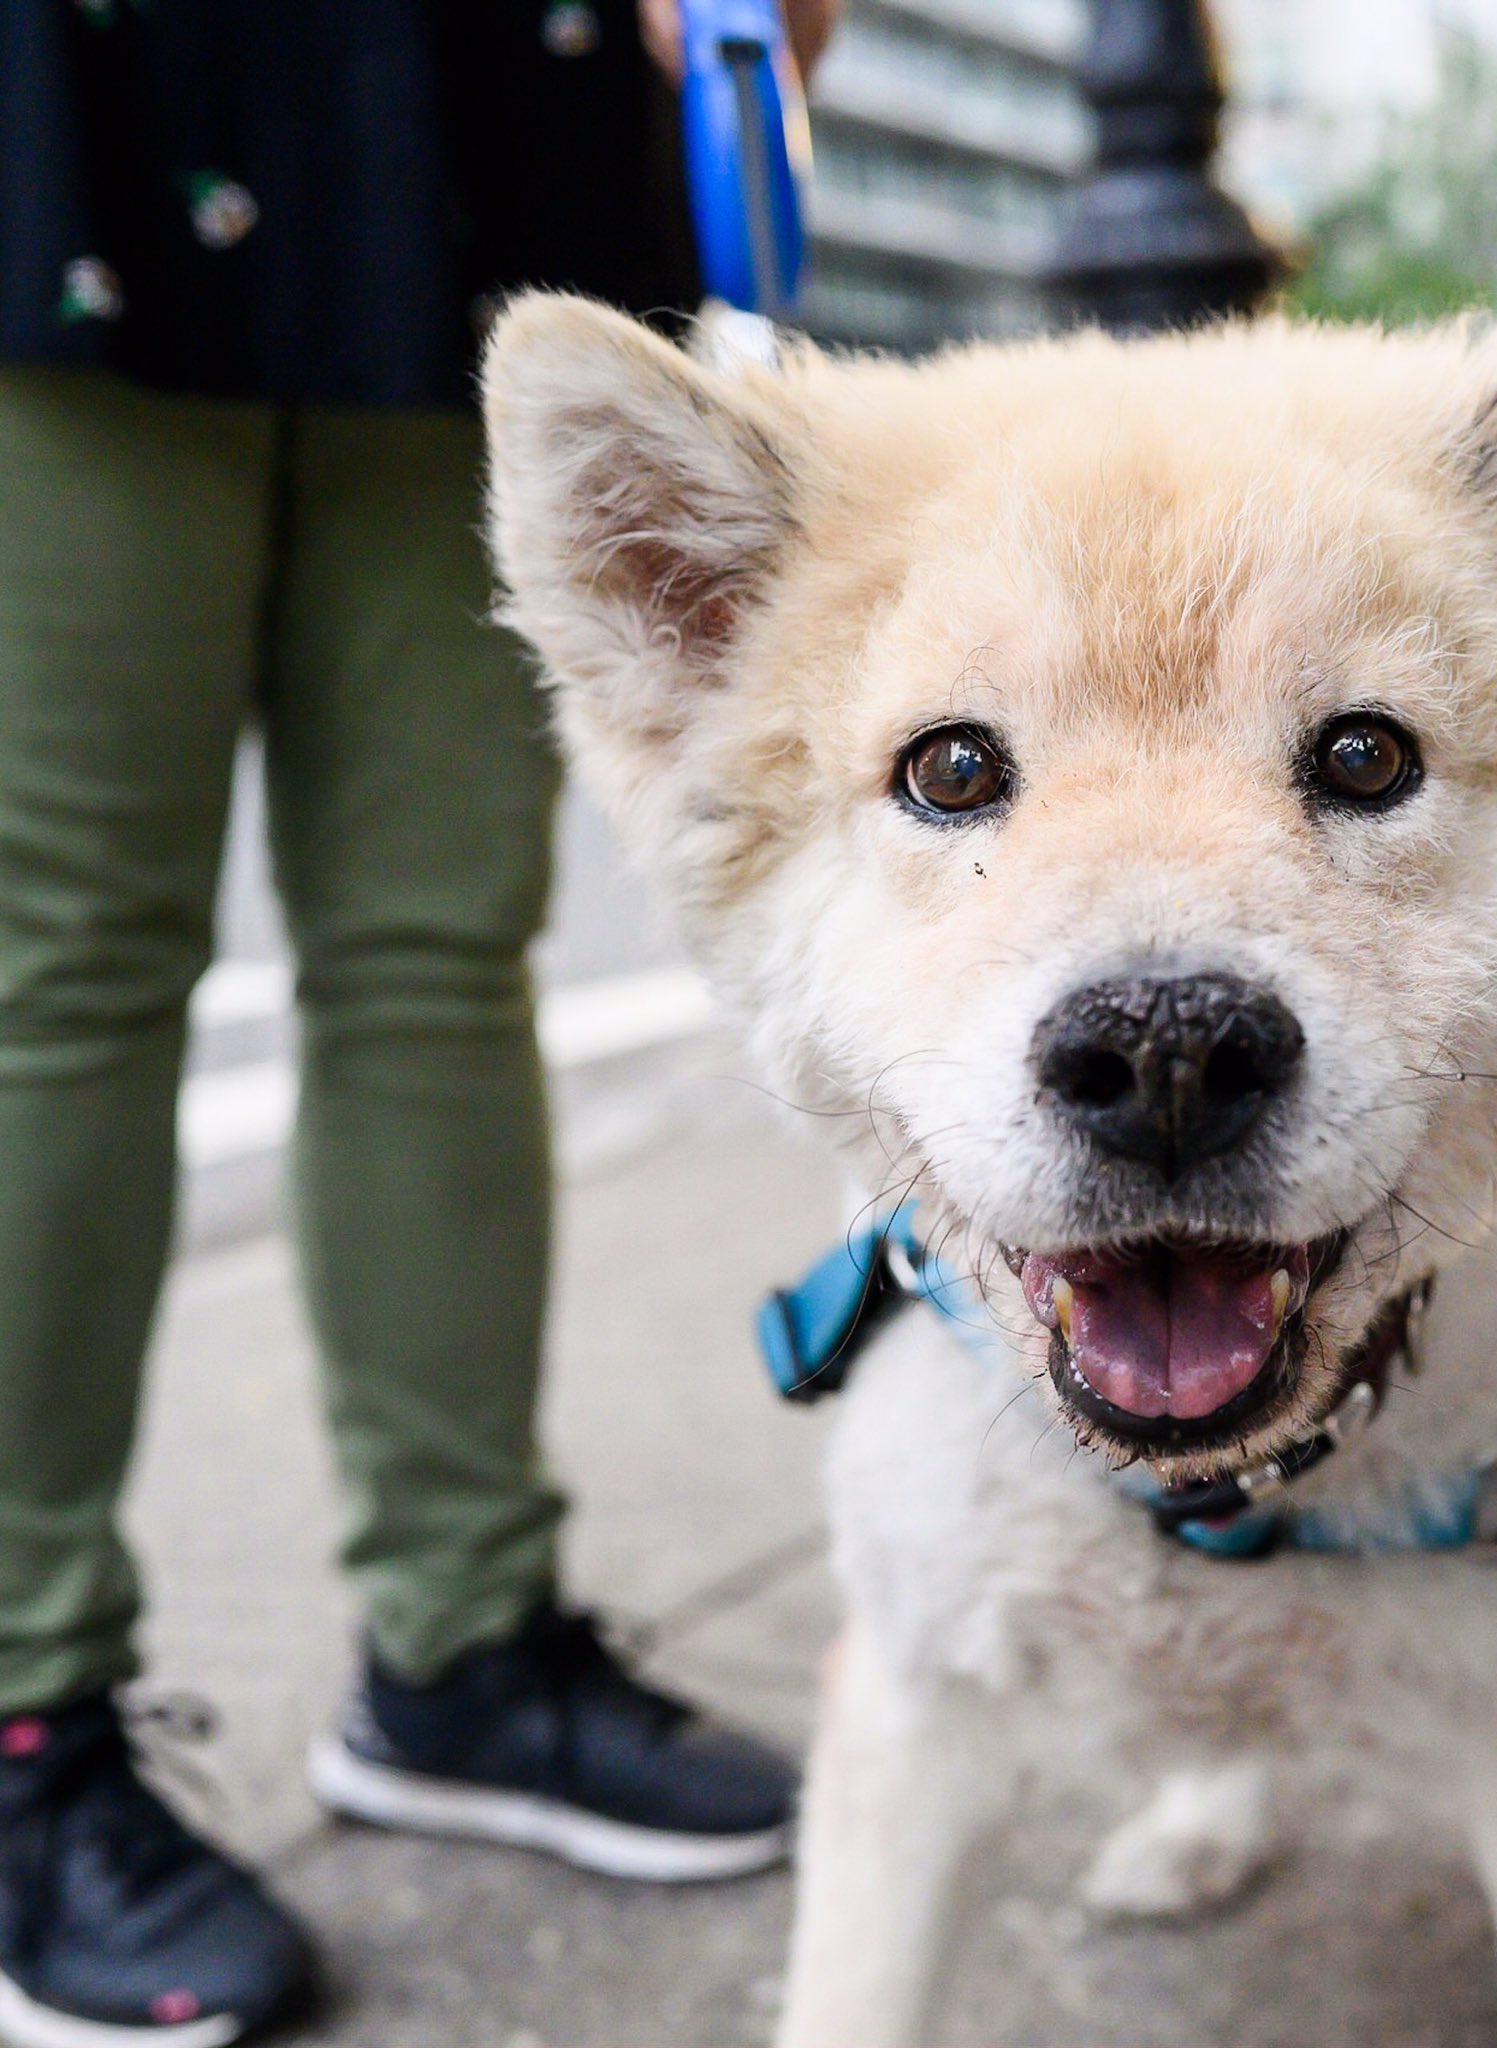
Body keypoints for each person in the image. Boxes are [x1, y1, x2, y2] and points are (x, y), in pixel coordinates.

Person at [0, 1, 835, 2040]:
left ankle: (461, 1649)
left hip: (485, 123)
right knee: (64, 963)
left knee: (442, 948)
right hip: (69, 117)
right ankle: (21, 1724)